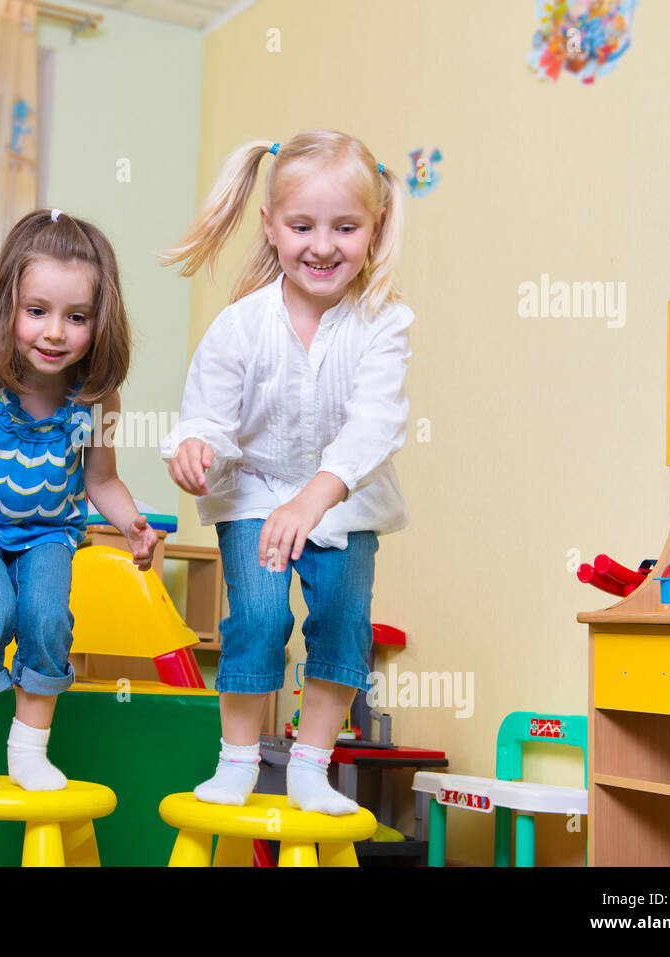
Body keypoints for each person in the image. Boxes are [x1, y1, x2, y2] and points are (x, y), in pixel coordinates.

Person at [159, 131, 412, 814]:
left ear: (375, 228)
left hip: (344, 496)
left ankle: (310, 764)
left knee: (340, 619)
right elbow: (208, 412)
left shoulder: (383, 324)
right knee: (261, 617)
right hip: (254, 490)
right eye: (302, 225)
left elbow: (373, 425)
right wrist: (194, 447)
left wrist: (314, 500)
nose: (322, 245)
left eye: (345, 226)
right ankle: (238, 760)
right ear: (271, 227)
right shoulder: (242, 325)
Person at [0, 208, 158, 791]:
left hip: (50, 533)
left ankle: (28, 750)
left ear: (100, 322)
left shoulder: (95, 398)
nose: (55, 332)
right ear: (6, 307)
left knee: (48, 619)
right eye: (37, 312)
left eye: (76, 317)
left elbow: (101, 480)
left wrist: (131, 523)